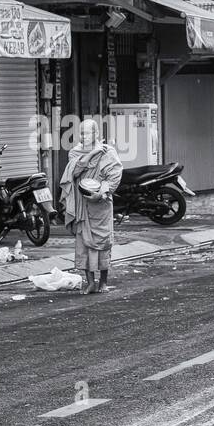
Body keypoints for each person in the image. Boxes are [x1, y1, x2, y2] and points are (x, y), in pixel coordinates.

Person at [60, 117, 123, 294]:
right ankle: (90, 282)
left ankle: (103, 282)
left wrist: (102, 193)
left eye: (87, 133)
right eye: (81, 133)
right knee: (83, 245)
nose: (83, 136)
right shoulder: (75, 152)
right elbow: (74, 172)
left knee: (103, 244)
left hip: (101, 205)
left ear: (96, 134)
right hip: (82, 204)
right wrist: (91, 153)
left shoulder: (108, 152)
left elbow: (115, 175)